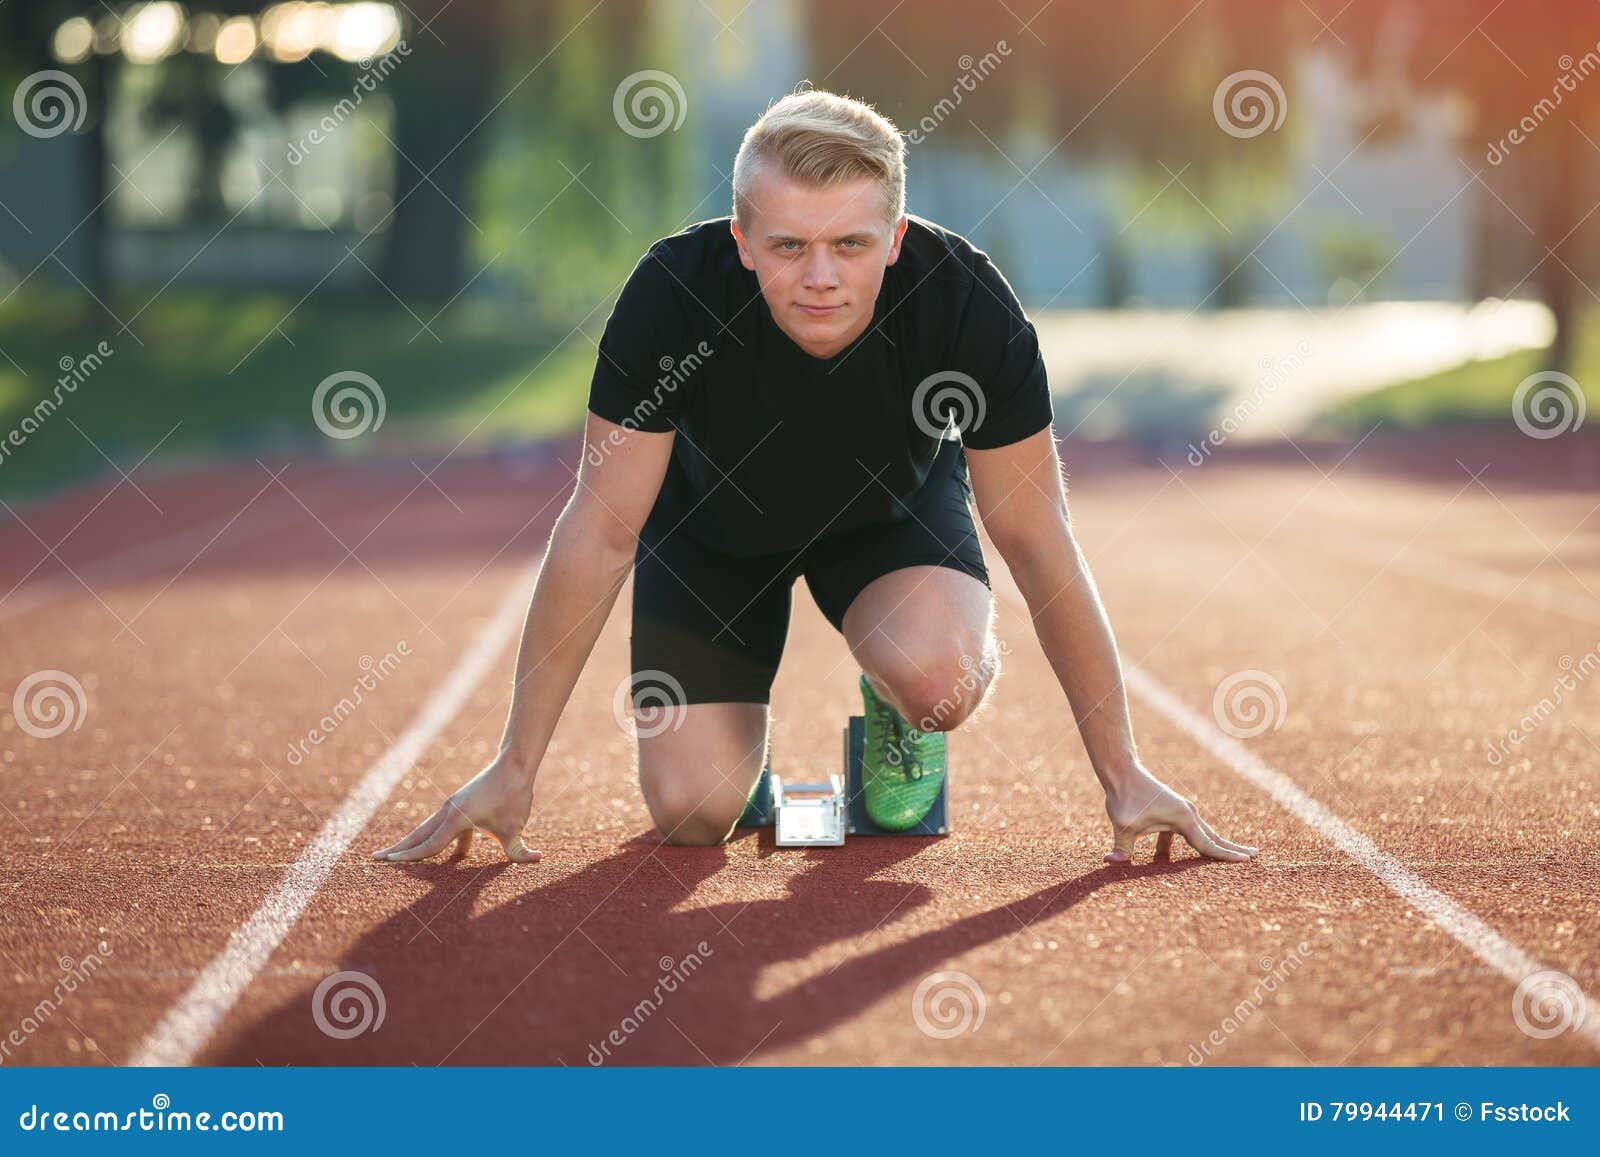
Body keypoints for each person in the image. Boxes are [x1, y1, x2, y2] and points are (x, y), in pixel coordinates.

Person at [372, 89, 1258, 867]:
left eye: (851, 243)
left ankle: (896, 705)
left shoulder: (965, 305)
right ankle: (743, 774)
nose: (822, 277)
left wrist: (1123, 773)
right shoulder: (672, 297)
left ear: (897, 238)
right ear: (742, 241)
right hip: (712, 532)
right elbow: (601, 529)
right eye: (789, 245)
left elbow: (1035, 536)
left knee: (941, 680)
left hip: (888, 518)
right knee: (694, 813)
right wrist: (515, 767)